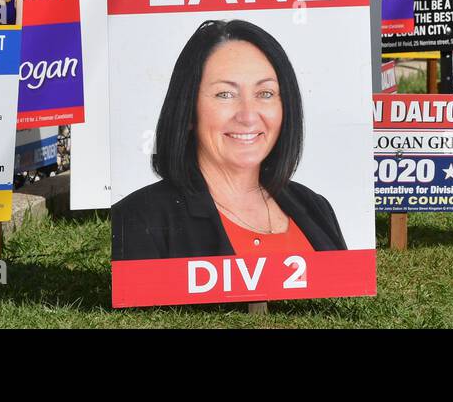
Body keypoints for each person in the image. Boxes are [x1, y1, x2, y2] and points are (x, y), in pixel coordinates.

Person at [112, 19, 347, 260]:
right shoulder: (138, 219)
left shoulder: (316, 207)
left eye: (265, 94)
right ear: (188, 109)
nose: (247, 116)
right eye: (225, 94)